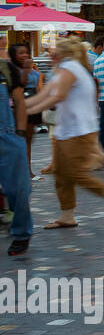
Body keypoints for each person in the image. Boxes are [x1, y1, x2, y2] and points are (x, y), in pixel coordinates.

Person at [24, 38, 104, 236]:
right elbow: (46, 93)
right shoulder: (66, 69)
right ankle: (67, 216)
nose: (49, 55)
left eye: (52, 52)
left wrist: (27, 110)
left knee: (74, 174)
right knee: (61, 175)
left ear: (59, 54)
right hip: (69, 129)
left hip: (77, 131)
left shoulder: (69, 69)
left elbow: (56, 97)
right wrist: (24, 106)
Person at [0, 50, 33, 256]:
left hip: (8, 135)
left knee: (18, 189)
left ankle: (22, 233)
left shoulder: (5, 68)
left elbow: (19, 100)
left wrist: (20, 133)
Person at [8, 44, 41, 178]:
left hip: (33, 104)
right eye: (21, 53)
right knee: (21, 139)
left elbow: (37, 87)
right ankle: (25, 172)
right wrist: (27, 69)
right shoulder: (13, 70)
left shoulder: (32, 70)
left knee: (28, 139)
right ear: (13, 55)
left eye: (26, 52)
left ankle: (27, 170)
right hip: (21, 105)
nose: (25, 55)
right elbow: (22, 84)